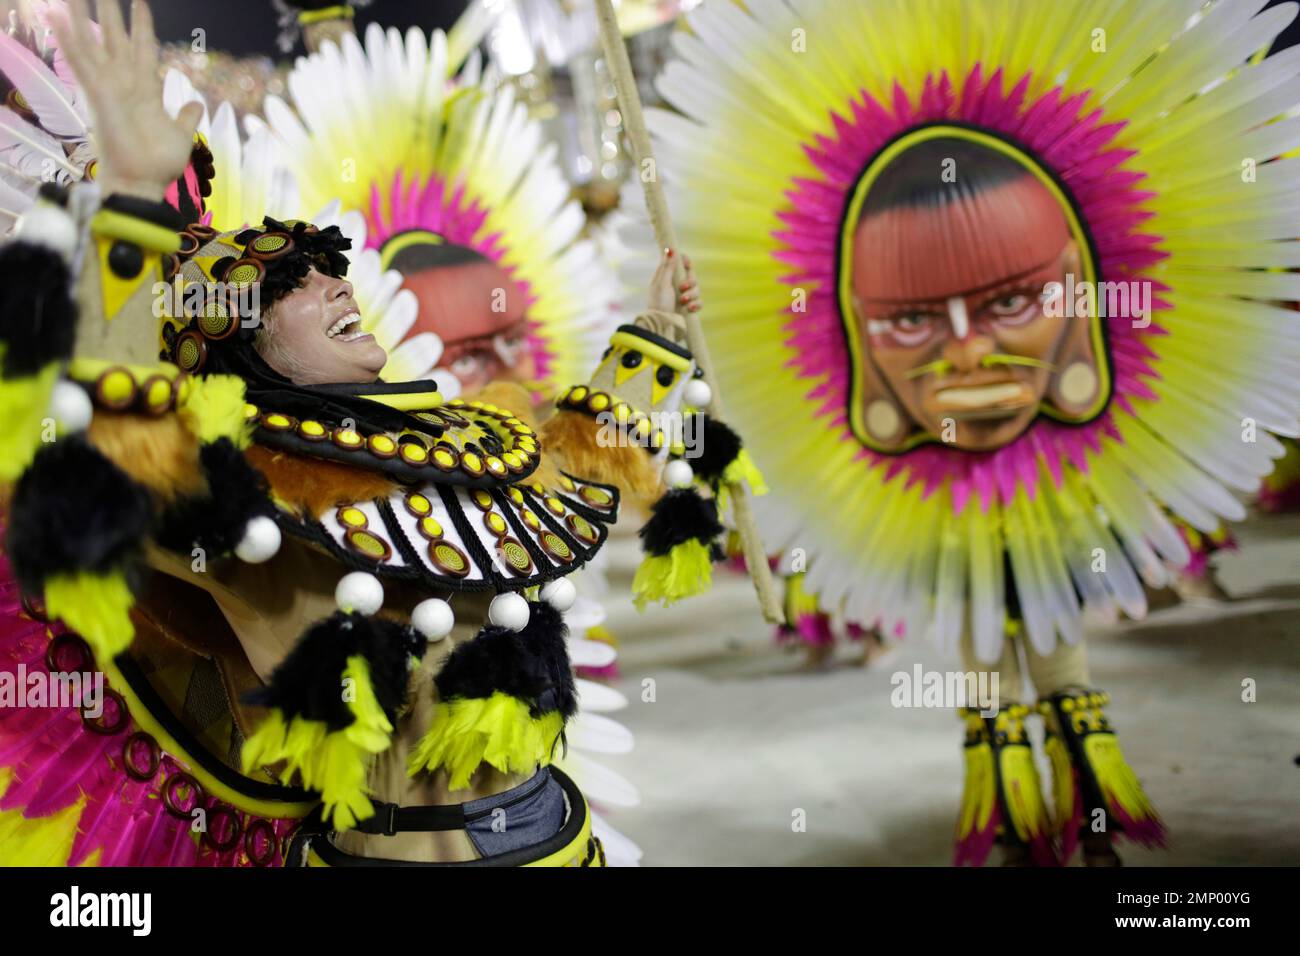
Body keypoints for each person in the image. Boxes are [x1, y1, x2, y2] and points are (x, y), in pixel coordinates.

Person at [0, 0, 725, 867]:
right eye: (294, 282)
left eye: (332, 269)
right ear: (238, 344)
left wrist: (650, 337)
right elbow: (116, 455)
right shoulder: (253, 502)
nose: (338, 288)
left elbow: (575, 464)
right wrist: (126, 202)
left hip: (560, 841)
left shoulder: (462, 429)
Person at [626, 0, 1300, 865]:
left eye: (1012, 302)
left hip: (1048, 495)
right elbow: (697, 373)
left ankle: (1082, 822)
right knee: (985, 651)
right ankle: (1023, 820)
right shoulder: (873, 423)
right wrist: (681, 309)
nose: (969, 351)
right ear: (858, 332)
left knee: (1058, 655)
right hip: (939, 508)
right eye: (912, 321)